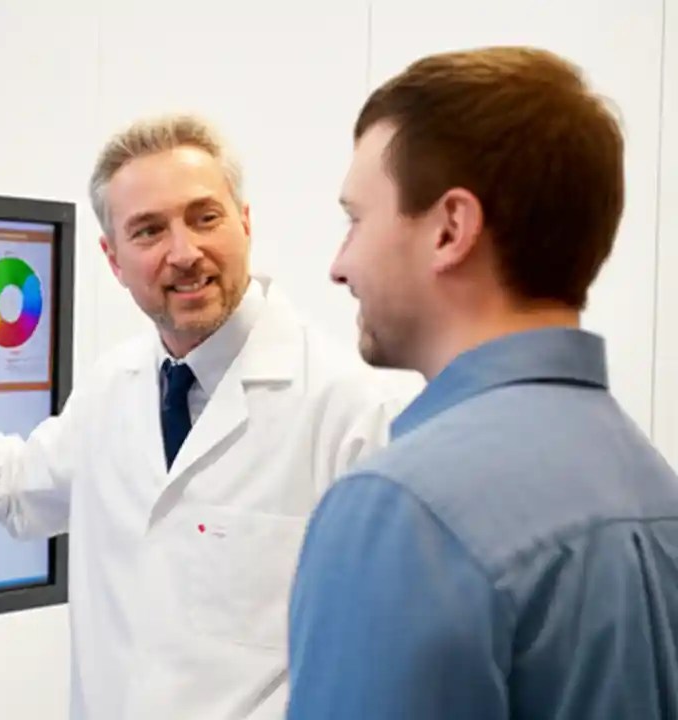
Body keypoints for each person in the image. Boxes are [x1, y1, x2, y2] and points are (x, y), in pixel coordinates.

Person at [0, 114, 404, 719]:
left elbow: (384, 656)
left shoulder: (349, 409)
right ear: (113, 259)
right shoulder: (113, 388)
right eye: (149, 231)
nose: (184, 253)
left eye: (205, 218)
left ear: (244, 223)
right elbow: (12, 490)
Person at [286, 46, 678, 719]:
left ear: (451, 229)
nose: (339, 265)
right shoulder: (655, 491)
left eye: (356, 219)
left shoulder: (401, 512)